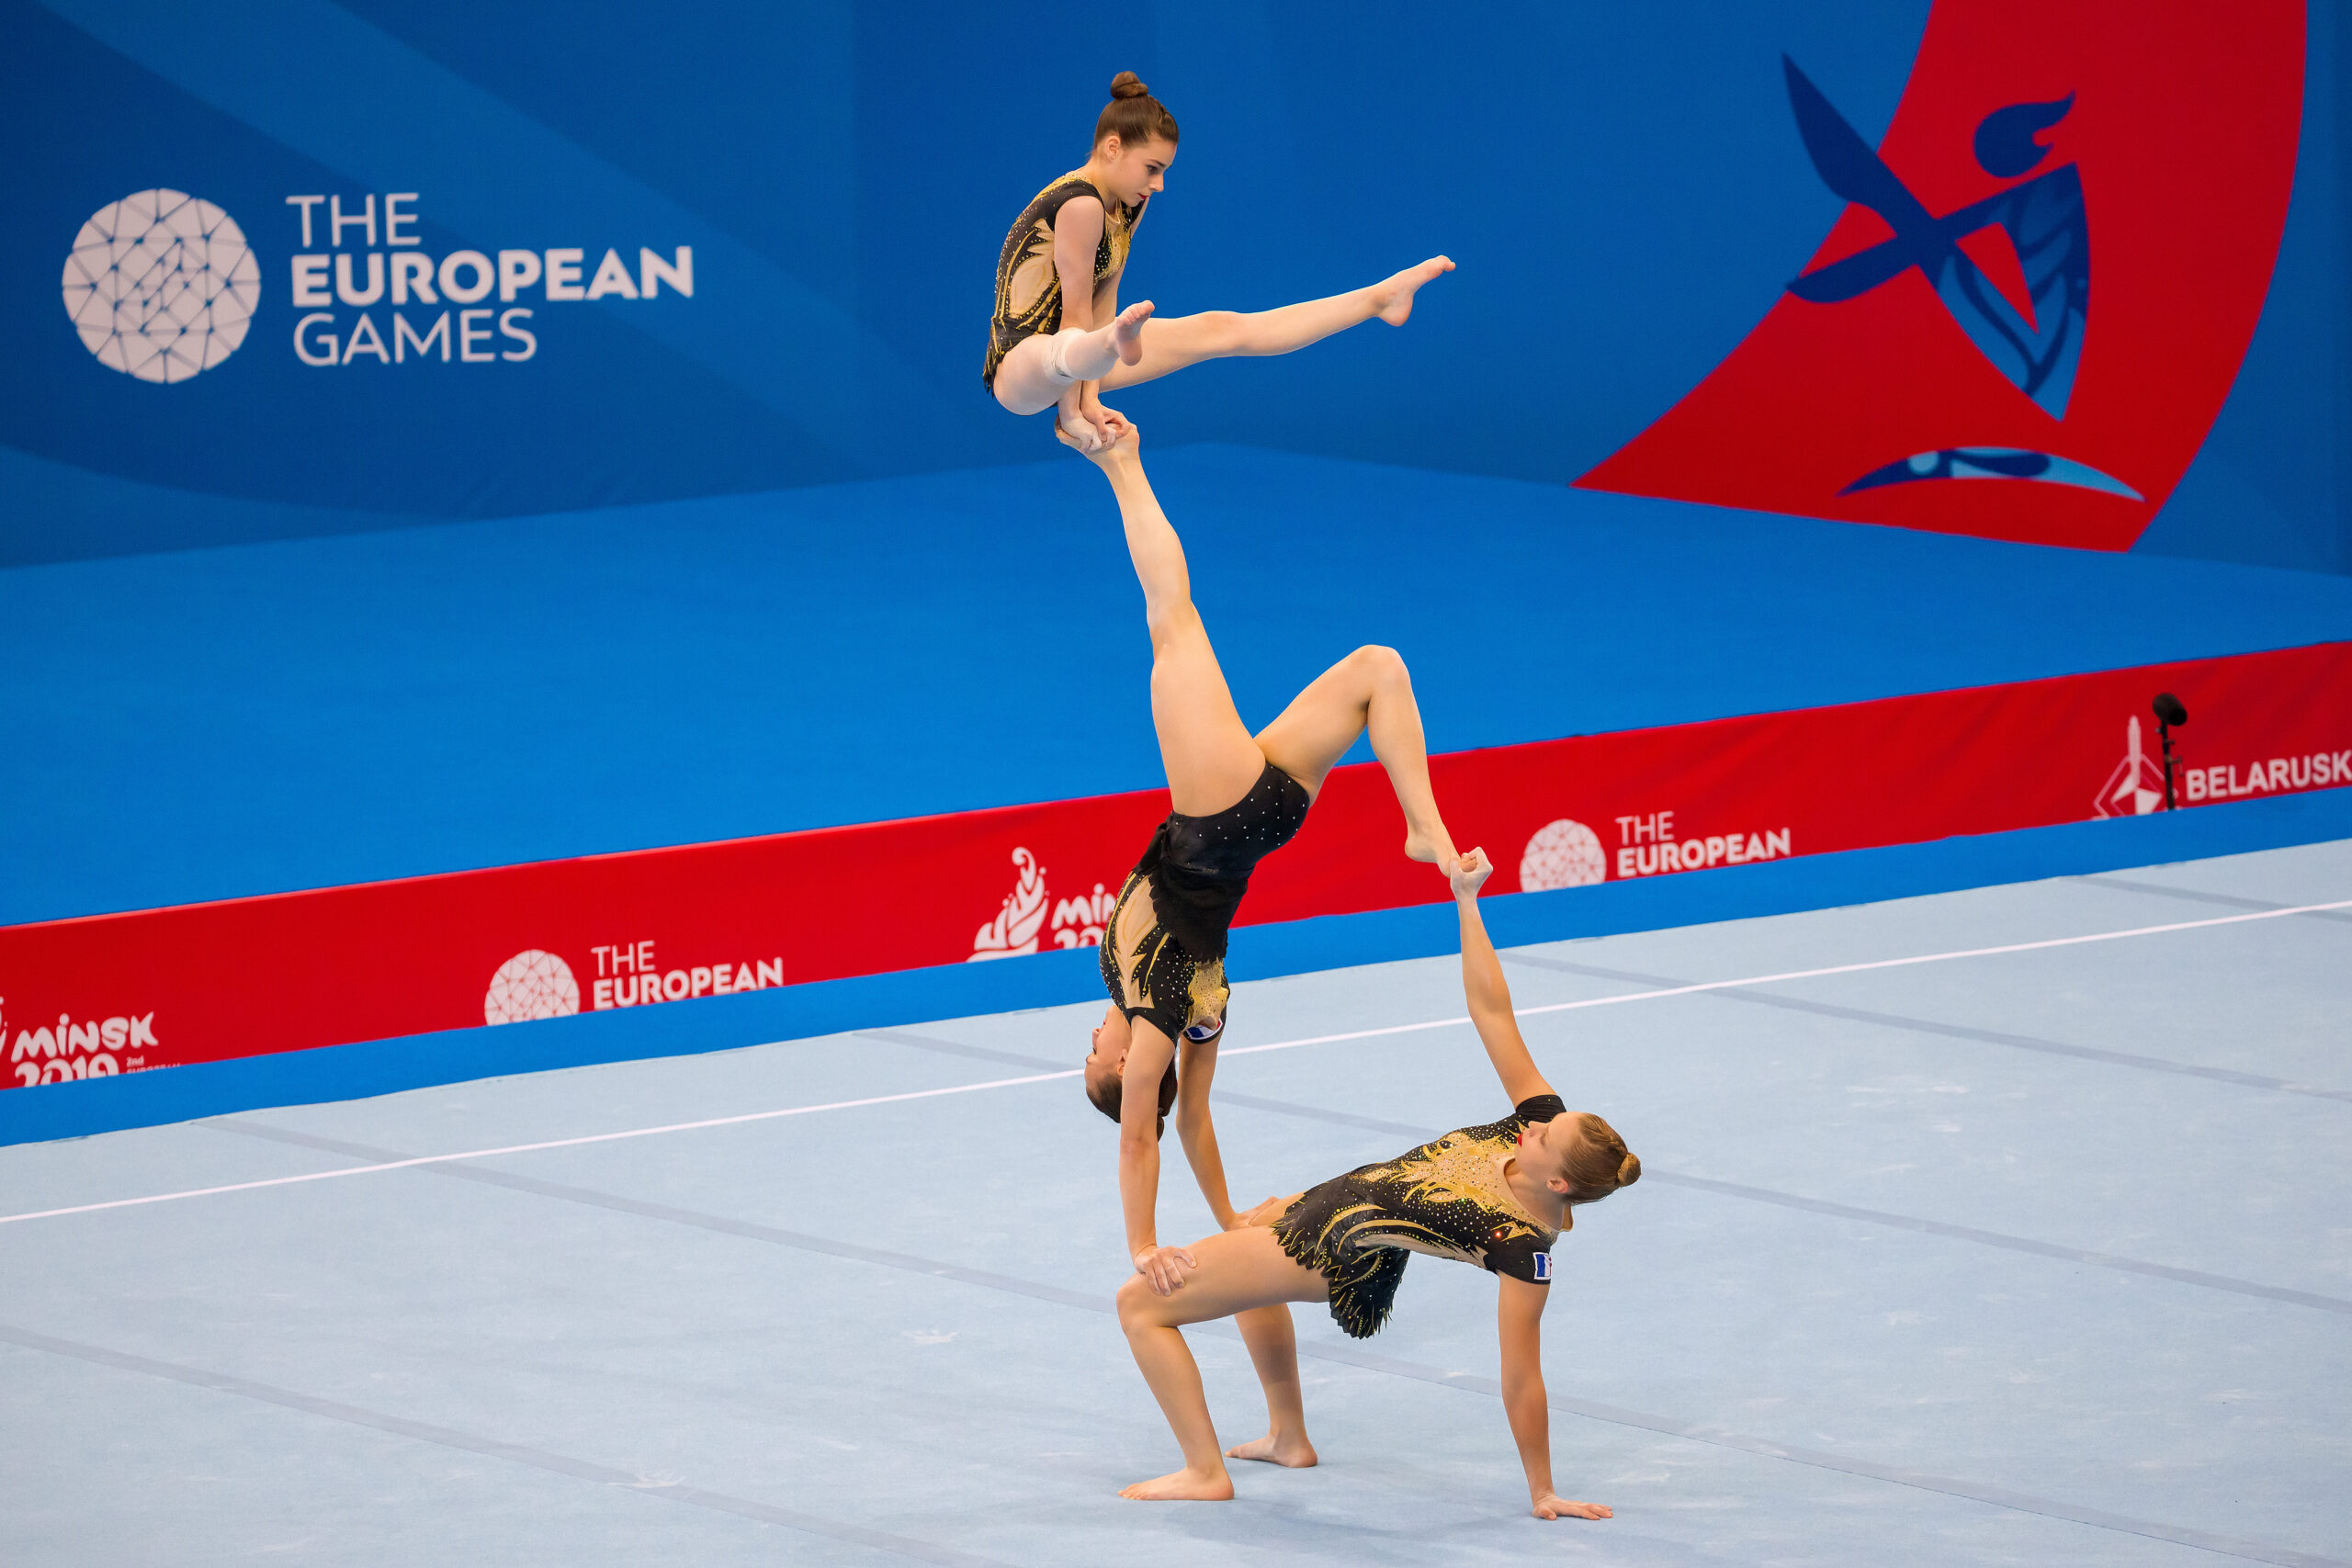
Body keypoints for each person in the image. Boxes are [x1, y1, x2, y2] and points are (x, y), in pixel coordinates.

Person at [1066, 423, 1458, 1328]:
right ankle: (1120, 460)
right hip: (1218, 812)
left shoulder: (1166, 1006)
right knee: (1172, 617)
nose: (1090, 1043)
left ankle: (1422, 830)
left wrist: (1227, 1219)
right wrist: (1142, 1242)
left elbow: (1192, 1122)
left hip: (1256, 818)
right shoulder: (1162, 1013)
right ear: (1124, 1068)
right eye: (1093, 1060)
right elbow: (1145, 1135)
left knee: (1377, 669)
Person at [1111, 847, 1641, 1512]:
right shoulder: (1539, 1127)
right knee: (1244, 1230)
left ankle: (1202, 1469)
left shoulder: (1521, 1246)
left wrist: (1544, 1490)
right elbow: (1493, 1013)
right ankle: (1288, 1435)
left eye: (1543, 1136)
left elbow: (1522, 1378)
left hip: (1336, 1243)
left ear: (1559, 1184)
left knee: (1141, 1304)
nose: (1532, 1125)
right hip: (1336, 1211)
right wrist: (1467, 901)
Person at [986, 72, 1454, 450]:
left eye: (1164, 172)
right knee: (1055, 355)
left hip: (1090, 347)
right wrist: (1074, 414)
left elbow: (1105, 295)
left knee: (1222, 328)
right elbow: (1075, 315)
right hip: (1022, 366)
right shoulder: (1081, 204)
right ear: (1113, 147)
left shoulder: (1129, 201)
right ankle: (1106, 351)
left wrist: (1092, 398)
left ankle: (1378, 299)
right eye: (1152, 169)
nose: (1159, 185)